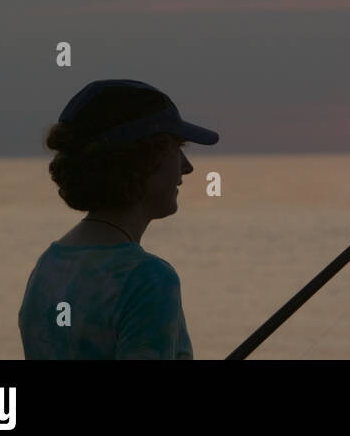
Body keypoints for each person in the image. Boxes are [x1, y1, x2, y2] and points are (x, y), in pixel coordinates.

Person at [18, 79, 219, 359]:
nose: (187, 167)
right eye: (177, 148)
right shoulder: (147, 280)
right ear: (144, 159)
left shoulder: (48, 268)